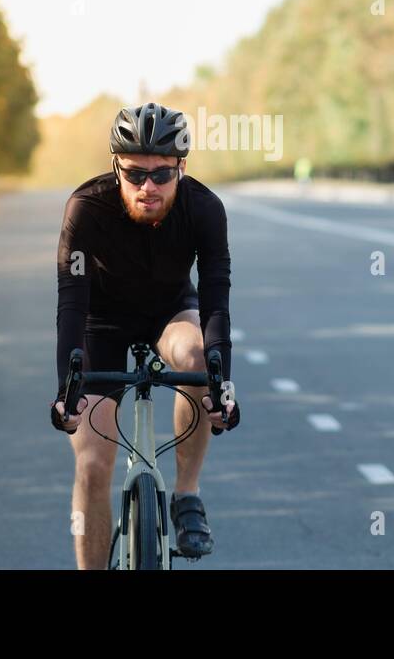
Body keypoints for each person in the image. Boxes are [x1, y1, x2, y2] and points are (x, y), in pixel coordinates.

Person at [51, 101, 240, 569]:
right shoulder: (87, 208)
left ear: (182, 168)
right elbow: (71, 304)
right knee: (94, 467)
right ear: (116, 168)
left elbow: (216, 298)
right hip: (101, 322)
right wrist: (67, 389)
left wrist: (222, 386)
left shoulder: (205, 209)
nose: (147, 186)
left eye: (161, 174)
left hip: (170, 311)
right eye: (134, 174)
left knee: (196, 358)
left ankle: (187, 495)